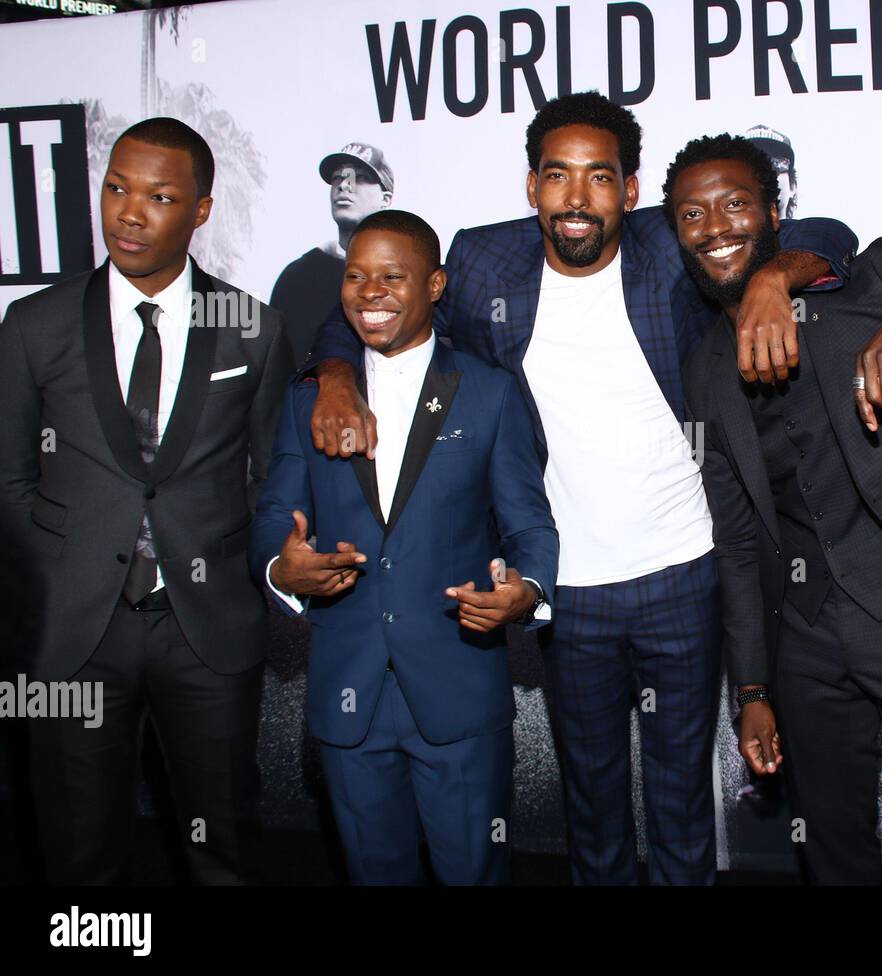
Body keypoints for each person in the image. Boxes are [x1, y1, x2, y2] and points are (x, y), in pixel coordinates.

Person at [299, 91, 875, 885]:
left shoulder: (668, 244)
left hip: (684, 571)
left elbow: (828, 236)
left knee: (680, 803)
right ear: (530, 185)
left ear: (629, 191)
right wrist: (335, 375)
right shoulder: (481, 262)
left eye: (599, 177)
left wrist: (775, 277)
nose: (576, 197)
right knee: (593, 807)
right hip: (567, 590)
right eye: (556, 175)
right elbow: (372, 304)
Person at [671, 135, 882, 883]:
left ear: (774, 213)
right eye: (691, 214)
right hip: (804, 639)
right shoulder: (703, 367)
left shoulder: (871, 281)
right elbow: (738, 540)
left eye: (735, 204)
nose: (714, 227)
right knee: (829, 852)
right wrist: (753, 690)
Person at [0, 117, 294, 884]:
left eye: (159, 196)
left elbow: (271, 476)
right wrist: (57, 581)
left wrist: (238, 563)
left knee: (222, 849)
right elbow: (9, 478)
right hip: (73, 634)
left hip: (206, 628)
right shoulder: (34, 324)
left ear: (201, 209)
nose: (129, 213)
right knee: (76, 852)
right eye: (116, 188)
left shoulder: (252, 328)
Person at [251, 211, 557, 885]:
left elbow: (530, 526)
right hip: (348, 694)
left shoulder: (490, 390)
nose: (370, 292)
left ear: (435, 284)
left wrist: (528, 591)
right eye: (356, 276)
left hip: (459, 692)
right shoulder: (310, 400)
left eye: (392, 276)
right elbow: (275, 513)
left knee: (474, 873)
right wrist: (282, 566)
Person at [270, 142, 395, 364]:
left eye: (360, 177)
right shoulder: (298, 275)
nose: (345, 186)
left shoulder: (408, 278)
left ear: (385, 199)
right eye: (338, 178)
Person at [744, 124, 798, 219]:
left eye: (776, 165)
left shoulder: (817, 228)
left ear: (792, 186)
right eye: (750, 166)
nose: (764, 176)